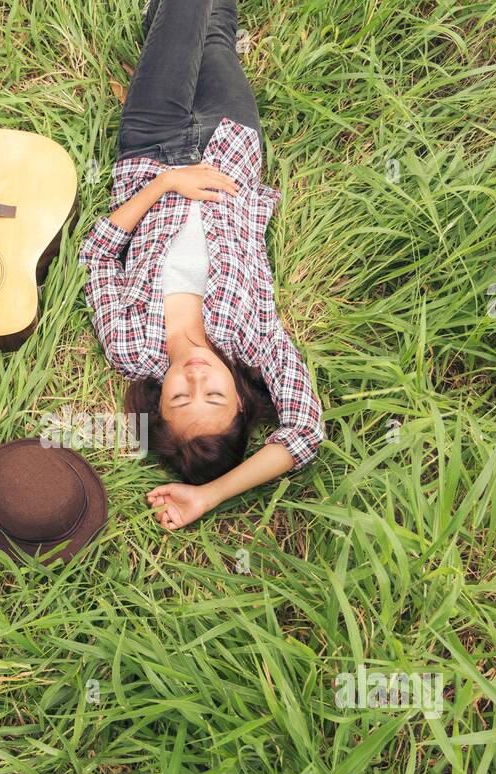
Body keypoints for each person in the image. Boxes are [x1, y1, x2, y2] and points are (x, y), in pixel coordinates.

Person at [78, 0, 324, 532]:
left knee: (184, 13)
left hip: (149, 150)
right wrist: (208, 495)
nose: (193, 378)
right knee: (216, 32)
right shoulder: (254, 340)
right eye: (212, 394)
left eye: (179, 397)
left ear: (157, 406)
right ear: (240, 396)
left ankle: (162, 26)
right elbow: (304, 433)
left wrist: (164, 183)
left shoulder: (130, 348)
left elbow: (95, 255)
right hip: (231, 142)